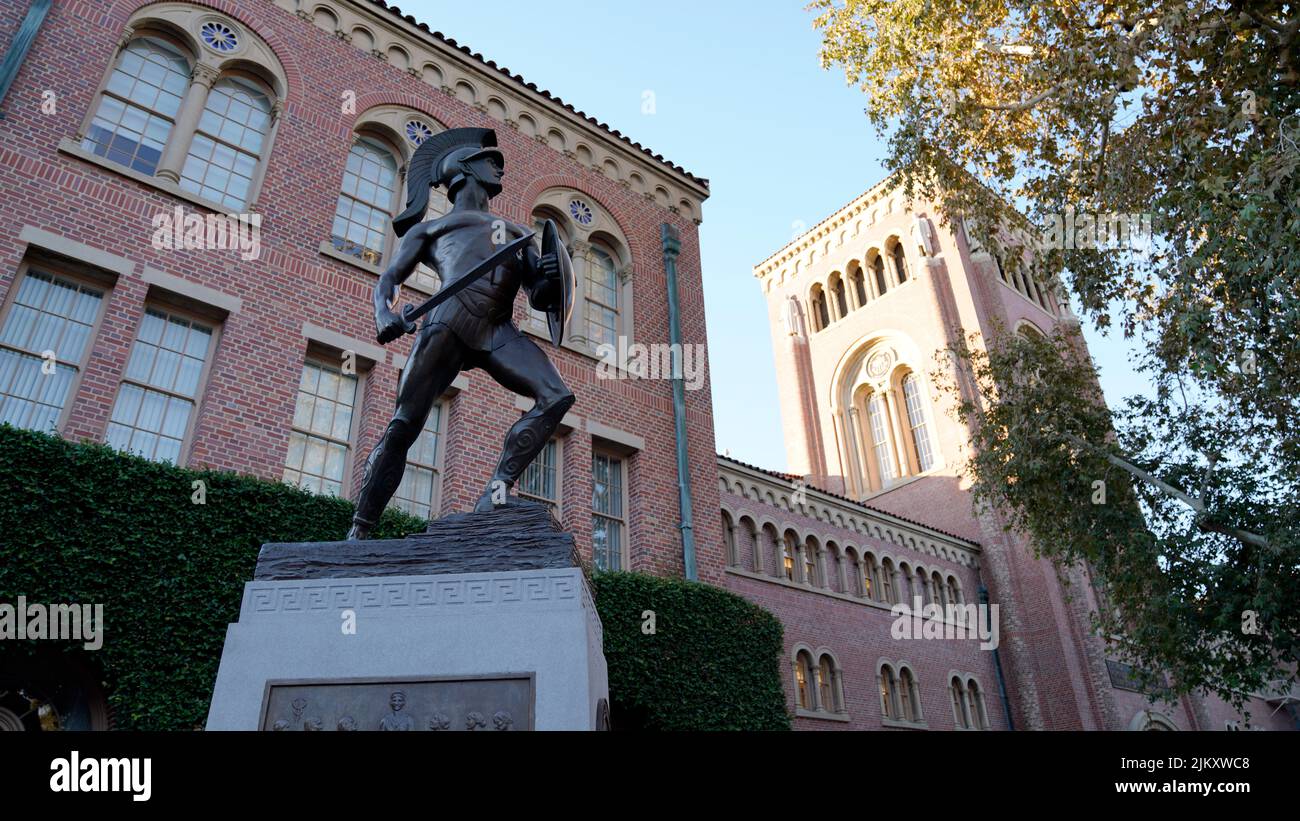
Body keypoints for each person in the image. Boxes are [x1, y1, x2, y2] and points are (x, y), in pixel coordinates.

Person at [347, 128, 573, 540]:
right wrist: (385, 313)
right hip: (447, 321)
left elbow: (539, 297)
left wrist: (550, 276)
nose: (499, 166)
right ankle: (361, 528)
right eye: (490, 161)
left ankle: (496, 492)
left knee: (556, 396)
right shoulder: (430, 231)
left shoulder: (518, 232)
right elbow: (390, 280)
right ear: (466, 170)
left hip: (498, 328)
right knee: (405, 424)